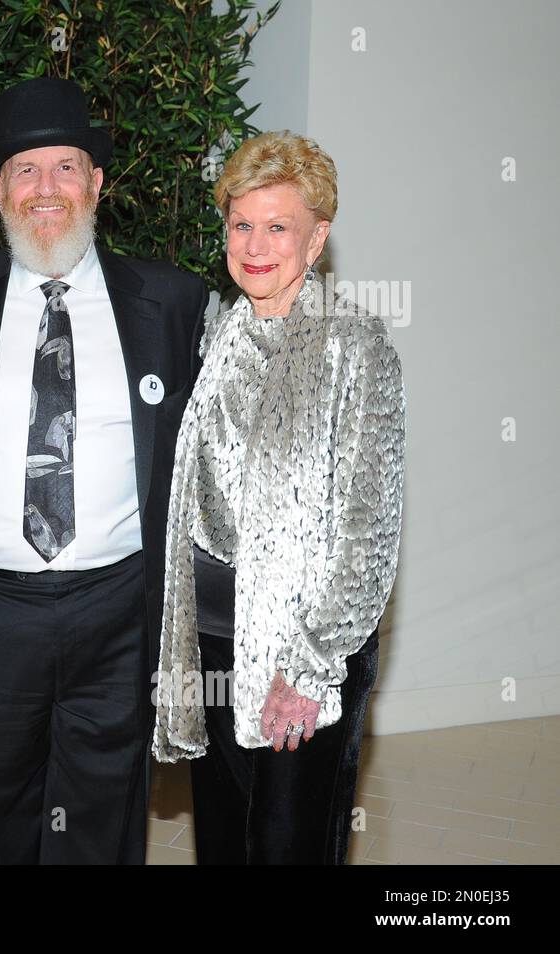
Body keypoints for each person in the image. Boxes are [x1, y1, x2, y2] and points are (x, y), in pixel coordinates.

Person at [0, 77, 208, 863]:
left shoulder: (172, 303)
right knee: (2, 824)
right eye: (26, 171)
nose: (47, 189)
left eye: (65, 167)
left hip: (118, 611)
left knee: (104, 826)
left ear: (96, 182)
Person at [152, 130, 406, 864]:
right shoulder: (219, 332)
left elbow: (368, 534)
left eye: (278, 227)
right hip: (212, 644)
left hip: (300, 659)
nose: (256, 246)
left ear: (317, 237)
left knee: (288, 850)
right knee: (226, 844)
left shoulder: (354, 344)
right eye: (241, 225)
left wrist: (309, 665)